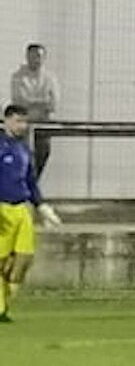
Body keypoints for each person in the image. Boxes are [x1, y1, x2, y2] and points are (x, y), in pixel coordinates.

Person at [0, 105, 60, 322]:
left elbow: (30, 181)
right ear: (6, 120)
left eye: (24, 122)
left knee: (24, 259)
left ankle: (6, 301)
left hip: (22, 209)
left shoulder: (24, 150)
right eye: (17, 121)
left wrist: (42, 206)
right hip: (2, 210)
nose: (22, 126)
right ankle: (0, 309)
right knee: (1, 260)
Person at [9, 44, 57, 185]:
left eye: (39, 56)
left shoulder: (50, 78)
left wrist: (32, 103)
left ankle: (31, 186)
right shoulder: (18, 76)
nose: (35, 59)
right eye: (32, 56)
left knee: (43, 153)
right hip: (23, 124)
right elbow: (19, 101)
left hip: (43, 123)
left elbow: (53, 102)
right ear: (27, 56)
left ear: (44, 58)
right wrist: (41, 103)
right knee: (23, 156)